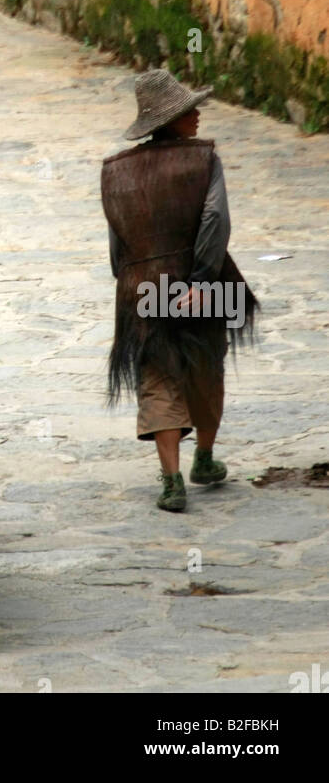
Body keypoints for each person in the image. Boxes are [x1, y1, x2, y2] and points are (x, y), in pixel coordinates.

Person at [101, 69, 256, 512]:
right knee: (207, 365)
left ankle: (171, 481)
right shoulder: (204, 159)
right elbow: (214, 221)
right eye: (190, 110)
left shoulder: (116, 171)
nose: (198, 114)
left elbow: (118, 246)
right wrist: (202, 280)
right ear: (172, 120)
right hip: (204, 285)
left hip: (143, 287)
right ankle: (203, 460)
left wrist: (134, 285)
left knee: (157, 375)